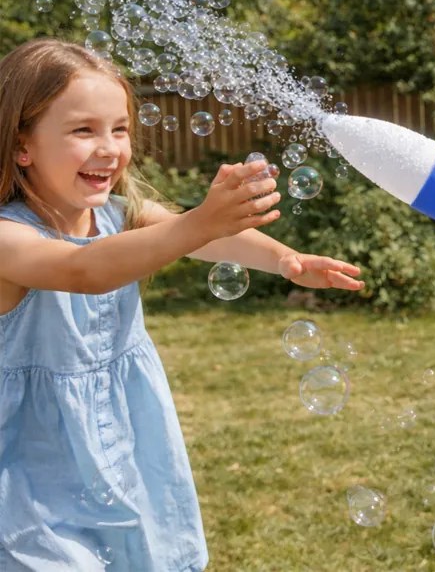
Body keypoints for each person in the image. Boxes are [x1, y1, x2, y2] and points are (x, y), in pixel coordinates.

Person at [0, 39, 365, 571]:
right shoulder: (8, 237)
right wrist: (201, 220)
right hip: (38, 468)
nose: (109, 148)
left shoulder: (122, 212)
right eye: (84, 130)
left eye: (119, 129)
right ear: (21, 146)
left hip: (125, 443)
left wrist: (288, 261)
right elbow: (83, 270)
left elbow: (200, 239)